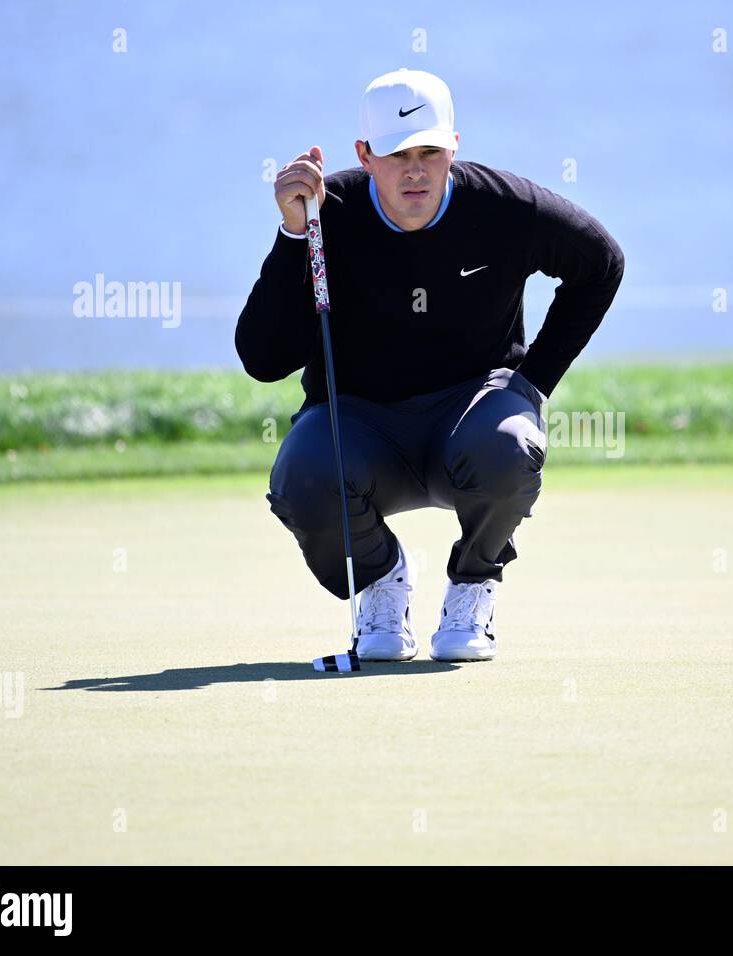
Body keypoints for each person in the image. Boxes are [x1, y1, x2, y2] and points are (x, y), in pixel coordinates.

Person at [235, 68, 624, 665]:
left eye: (429, 152)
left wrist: (534, 382)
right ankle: (382, 580)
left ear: (453, 149)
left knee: (509, 442)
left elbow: (601, 262)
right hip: (360, 425)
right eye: (396, 154)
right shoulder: (323, 215)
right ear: (365, 155)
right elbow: (264, 361)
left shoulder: (503, 207)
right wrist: (293, 236)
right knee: (302, 475)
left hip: (471, 415)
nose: (415, 170)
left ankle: (473, 585)